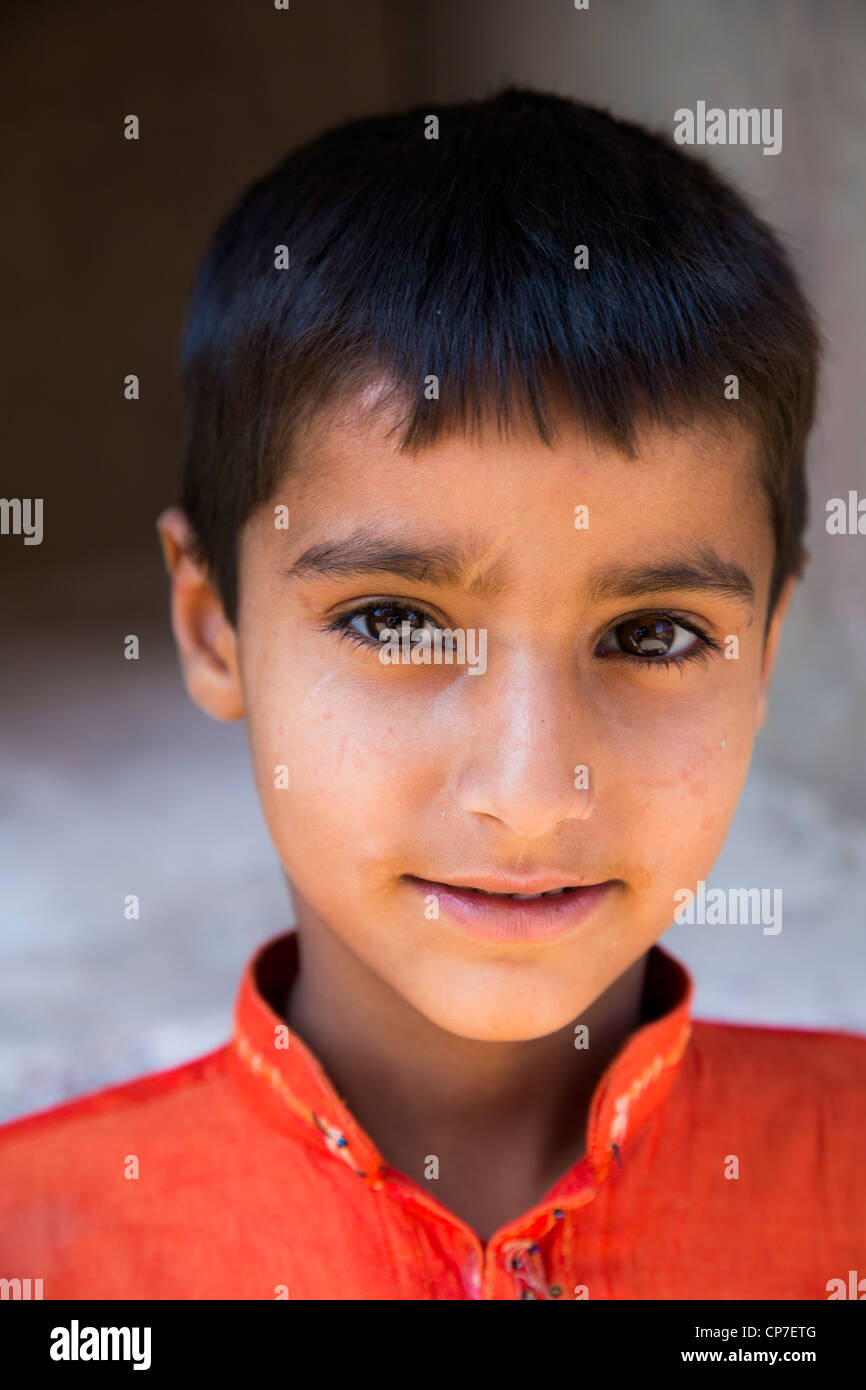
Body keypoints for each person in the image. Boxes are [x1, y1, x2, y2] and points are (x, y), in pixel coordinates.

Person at [1, 86, 863, 1301]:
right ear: (213, 629)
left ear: (765, 649)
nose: (527, 795)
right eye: (395, 621)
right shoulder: (42, 1247)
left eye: (654, 632)